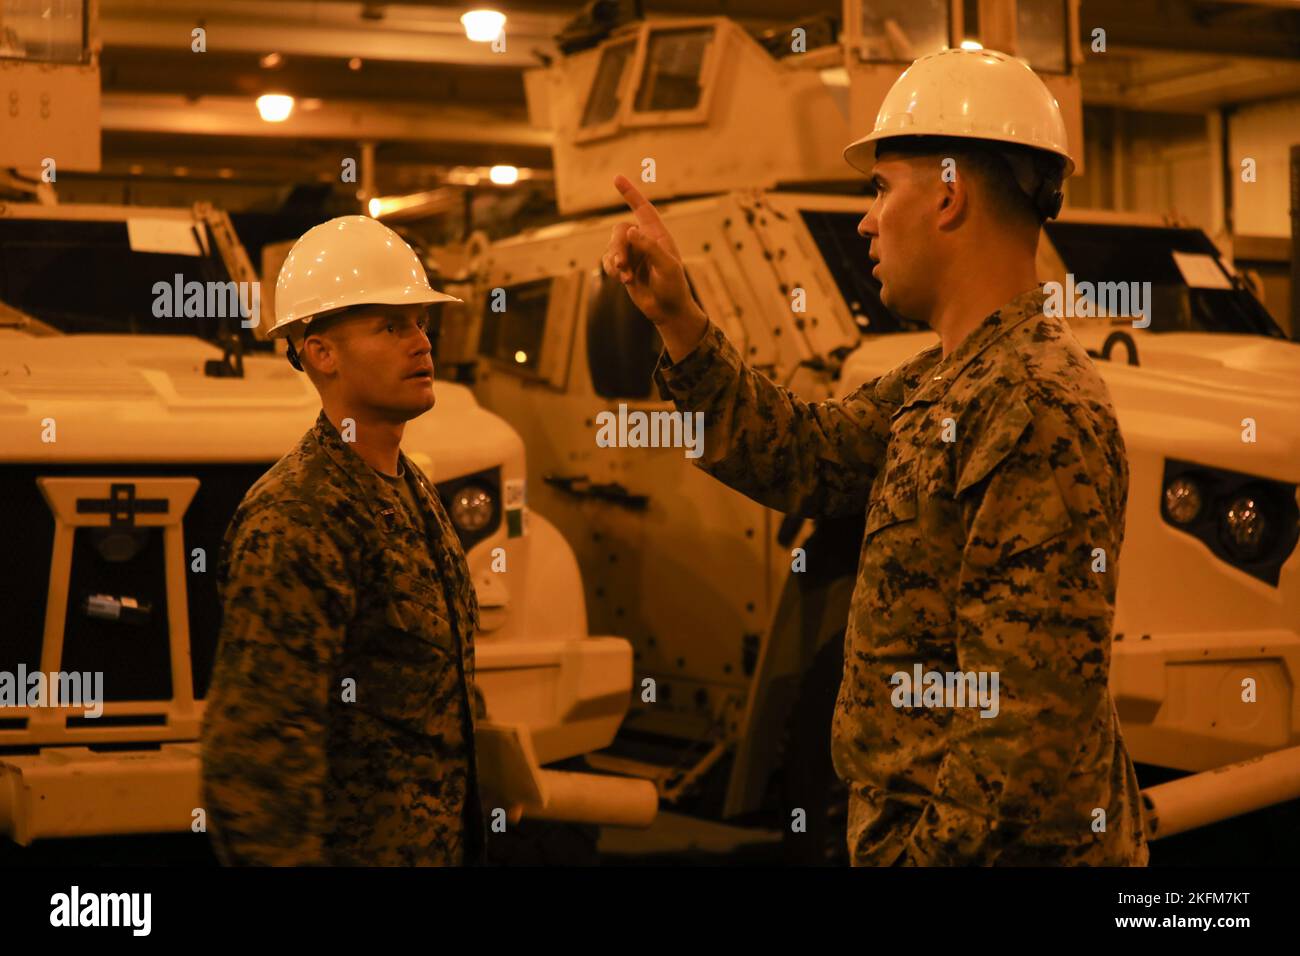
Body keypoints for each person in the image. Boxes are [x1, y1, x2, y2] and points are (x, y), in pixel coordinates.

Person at [602, 48, 1148, 866]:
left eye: (881, 188)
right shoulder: (950, 382)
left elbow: (1026, 741)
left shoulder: (1034, 407)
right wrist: (680, 318)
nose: (866, 220)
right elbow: (802, 455)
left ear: (951, 195)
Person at [201, 215, 496, 865]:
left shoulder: (412, 490)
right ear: (321, 352)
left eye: (420, 322)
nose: (420, 343)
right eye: (391, 326)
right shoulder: (294, 522)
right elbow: (255, 760)